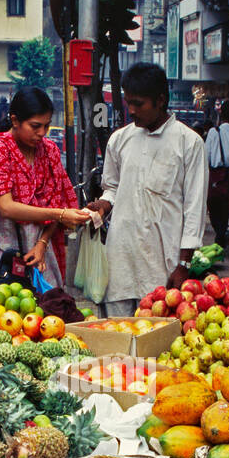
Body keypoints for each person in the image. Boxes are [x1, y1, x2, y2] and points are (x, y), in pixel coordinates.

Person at [85, 62, 209, 316]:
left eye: (138, 103)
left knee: (156, 344)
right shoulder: (119, 140)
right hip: (120, 258)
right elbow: (112, 187)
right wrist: (104, 204)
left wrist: (183, 264)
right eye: (127, 102)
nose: (131, 110)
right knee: (116, 336)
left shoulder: (189, 143)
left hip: (162, 265)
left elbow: (194, 209)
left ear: (160, 100)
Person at [0, 87, 90, 288]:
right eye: (35, 126)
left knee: (51, 312)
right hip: (6, 251)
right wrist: (60, 214)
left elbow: (58, 203)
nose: (42, 133)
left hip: (43, 251)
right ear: (15, 121)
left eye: (47, 126)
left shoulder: (50, 151)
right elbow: (6, 208)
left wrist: (42, 243)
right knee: (11, 311)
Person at [205, 100, 229, 259]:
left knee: (214, 211)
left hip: (214, 176)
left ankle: (220, 239)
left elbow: (205, 157)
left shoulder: (214, 132)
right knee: (225, 212)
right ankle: (223, 237)